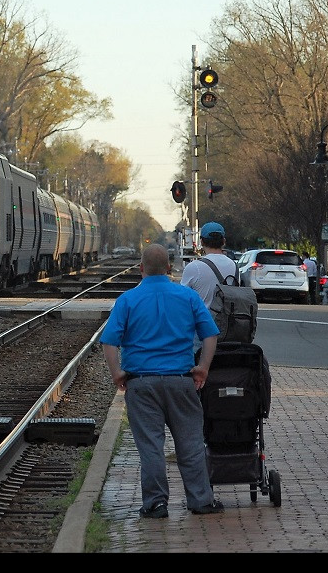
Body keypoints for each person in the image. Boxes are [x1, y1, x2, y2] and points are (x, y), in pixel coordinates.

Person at [100, 243, 224, 518]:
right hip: (181, 381)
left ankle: (156, 504)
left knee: (151, 447)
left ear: (141, 268)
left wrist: (117, 373)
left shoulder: (127, 300)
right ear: (169, 268)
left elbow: (109, 342)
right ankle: (201, 501)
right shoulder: (188, 297)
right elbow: (210, 335)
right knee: (190, 444)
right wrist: (202, 368)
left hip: (141, 384)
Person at [180, 221, 239, 309]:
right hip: (229, 317)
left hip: (203, 317)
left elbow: (182, 299)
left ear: (201, 242)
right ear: (224, 241)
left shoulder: (194, 267)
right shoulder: (234, 266)